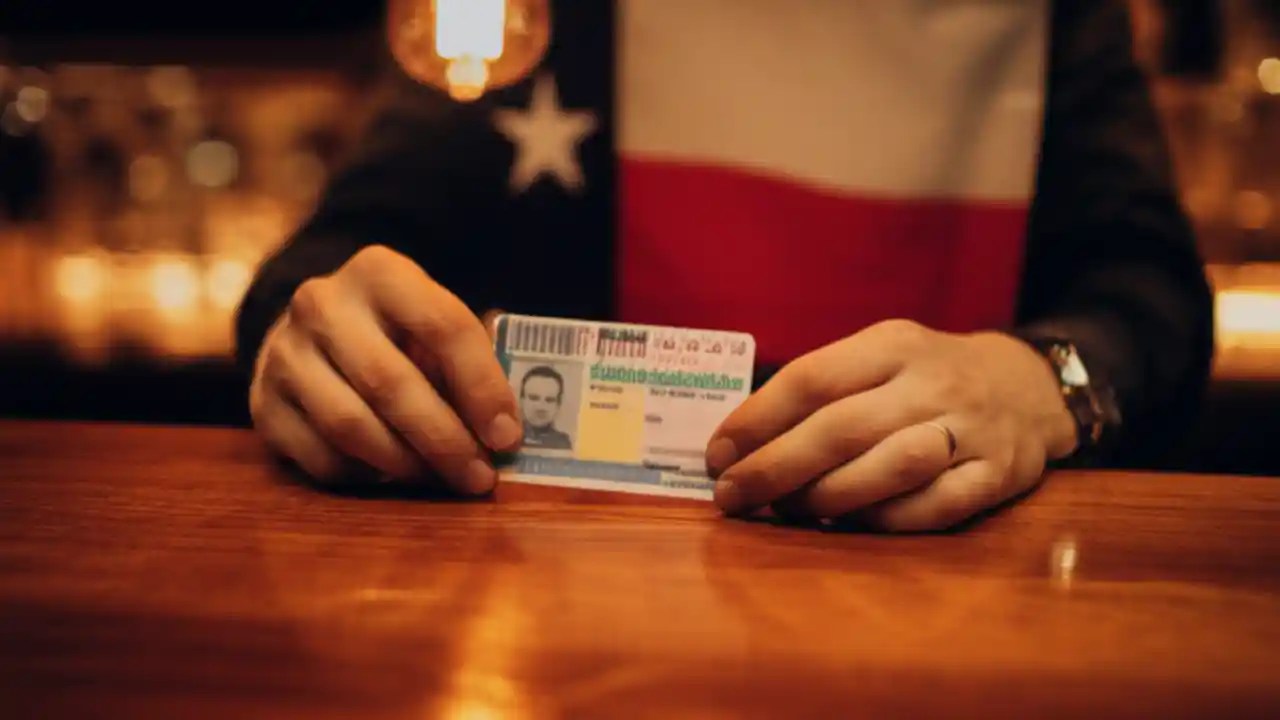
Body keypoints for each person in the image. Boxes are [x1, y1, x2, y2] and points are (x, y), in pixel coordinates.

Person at [236, 0, 1213, 530]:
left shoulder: (1049, 15)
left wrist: (1040, 380)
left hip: (944, 604)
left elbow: (1149, 291)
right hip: (569, 583)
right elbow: (331, 265)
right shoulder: (526, 13)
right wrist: (309, 334)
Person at [518, 366, 573, 450]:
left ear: (558, 405)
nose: (541, 407)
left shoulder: (563, 444)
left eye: (549, 400)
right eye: (534, 398)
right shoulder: (507, 437)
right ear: (522, 400)